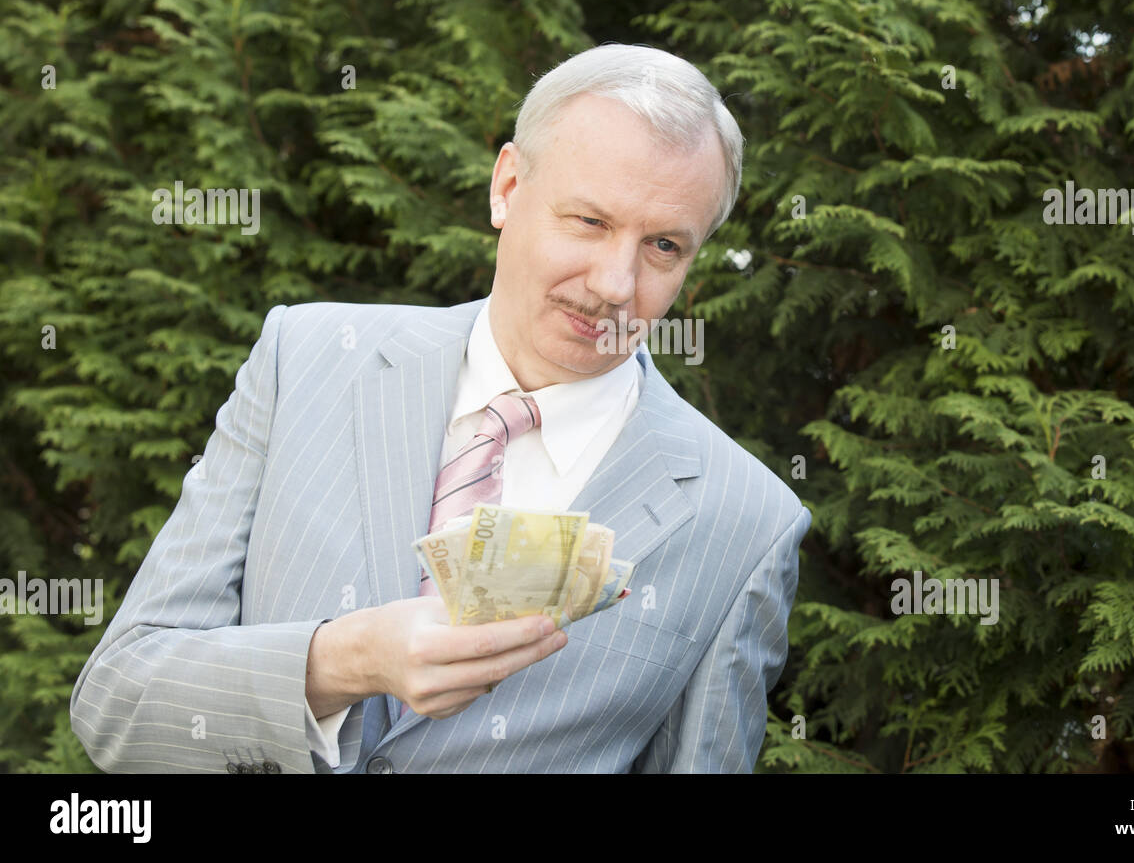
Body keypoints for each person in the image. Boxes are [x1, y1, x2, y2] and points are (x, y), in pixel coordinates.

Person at [70, 43, 812, 773]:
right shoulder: (303, 357)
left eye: (662, 246)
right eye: (589, 221)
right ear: (508, 186)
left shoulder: (747, 523)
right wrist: (344, 660)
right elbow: (118, 701)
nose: (616, 284)